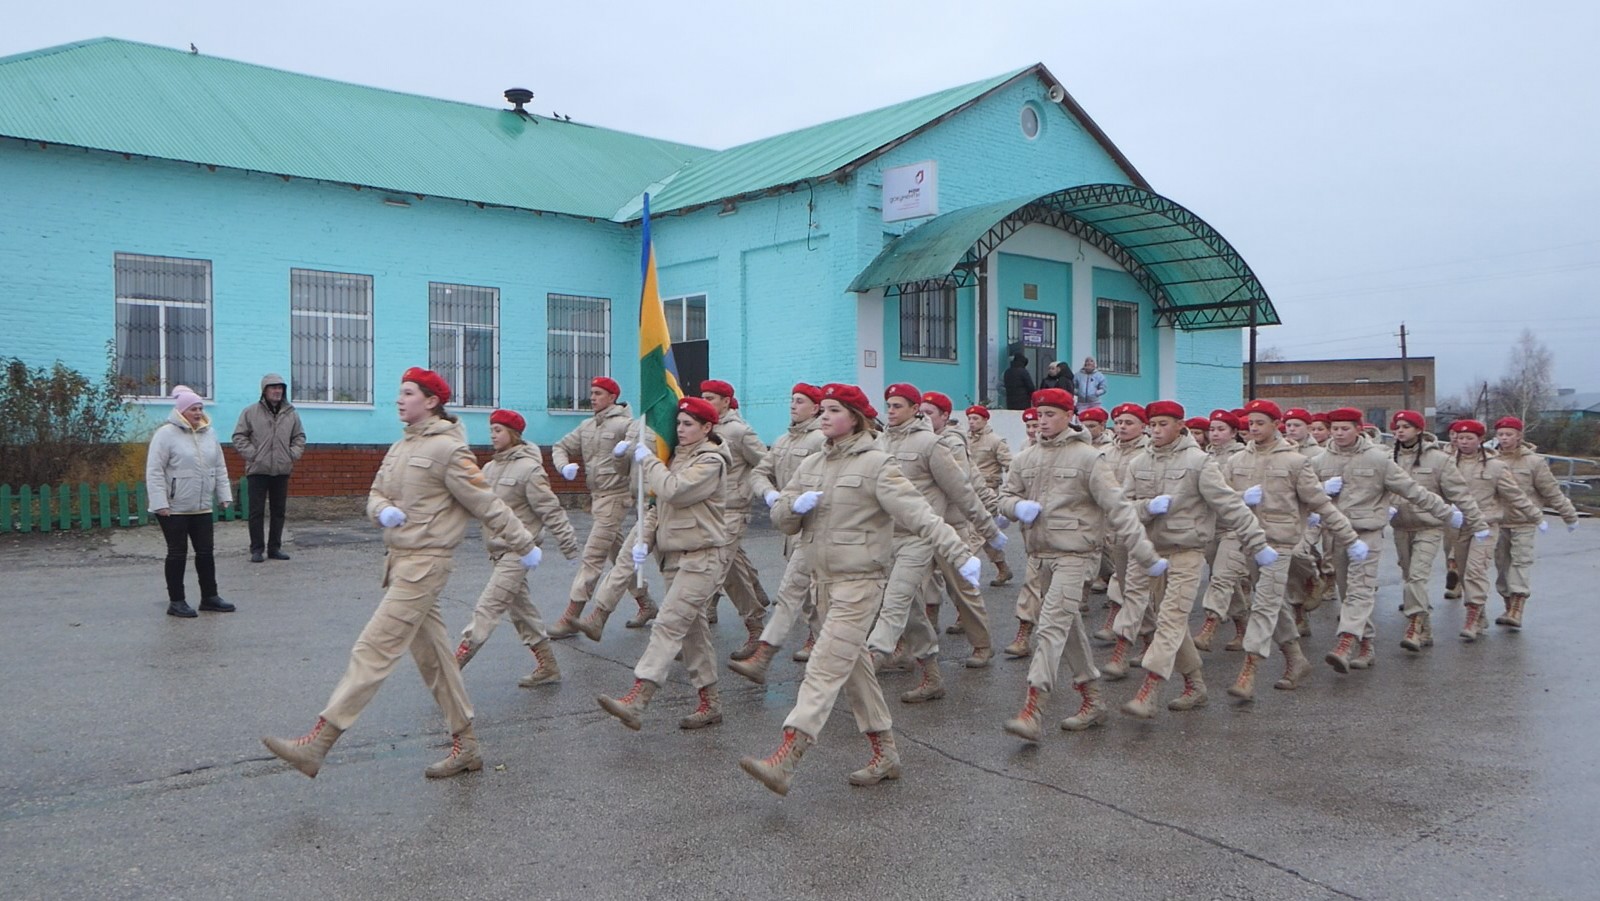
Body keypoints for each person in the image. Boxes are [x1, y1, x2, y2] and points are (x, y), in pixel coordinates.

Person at [262, 368, 540, 780]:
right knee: (436, 660)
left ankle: (320, 741)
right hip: (399, 562)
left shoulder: (450, 450)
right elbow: (375, 493)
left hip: (426, 565)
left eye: (408, 393)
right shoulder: (399, 447)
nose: (399, 399)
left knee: (373, 649)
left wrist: (525, 545)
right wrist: (382, 511)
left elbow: (487, 503)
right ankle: (467, 746)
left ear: (431, 401)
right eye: (399, 392)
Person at [739, 384, 980, 796]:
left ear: (856, 417)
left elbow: (921, 516)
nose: (825, 417)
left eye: (834, 410)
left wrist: (961, 554)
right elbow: (781, 517)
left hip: (859, 585)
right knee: (855, 674)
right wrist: (791, 509)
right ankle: (885, 753)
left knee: (822, 667)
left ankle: (788, 756)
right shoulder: (813, 462)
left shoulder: (876, 465)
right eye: (824, 410)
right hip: (823, 585)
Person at [998, 388, 1164, 743]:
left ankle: (1033, 709)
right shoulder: (1025, 457)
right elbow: (1005, 496)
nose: (1042, 421)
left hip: (1076, 555)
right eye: (1038, 414)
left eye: (1050, 414)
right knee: (1066, 626)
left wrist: (1145, 553)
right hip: (1040, 555)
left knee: (1051, 628)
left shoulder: (1089, 458)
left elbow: (1118, 508)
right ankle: (1093, 700)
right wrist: (1016, 508)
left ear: (1068, 415)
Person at [1113, 400, 1271, 717]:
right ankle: (1195, 685)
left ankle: (1150, 688)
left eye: (1163, 424)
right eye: (1152, 424)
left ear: (1180, 425)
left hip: (1187, 552)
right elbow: (1121, 507)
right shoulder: (1138, 463)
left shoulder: (1199, 462)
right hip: (1153, 553)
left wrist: (1256, 541)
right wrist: (1146, 508)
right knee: (1170, 624)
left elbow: (1229, 505)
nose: (1156, 430)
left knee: (1171, 619)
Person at [596, 397, 732, 732]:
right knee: (693, 634)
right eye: (678, 423)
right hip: (674, 559)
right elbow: (659, 509)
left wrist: (651, 463)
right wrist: (643, 543)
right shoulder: (676, 457)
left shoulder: (711, 461)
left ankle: (638, 698)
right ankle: (710, 702)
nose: (680, 430)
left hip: (702, 558)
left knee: (668, 625)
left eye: (688, 424)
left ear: (707, 428)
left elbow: (675, 491)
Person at [865, 383, 1001, 706]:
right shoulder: (881, 442)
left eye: (899, 406)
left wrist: (989, 528)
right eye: (889, 406)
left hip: (936, 531)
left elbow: (963, 489)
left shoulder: (934, 444)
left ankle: (981, 644)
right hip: (893, 535)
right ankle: (926, 669)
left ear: (917, 410)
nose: (891, 411)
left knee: (961, 589)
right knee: (909, 600)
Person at [1219, 399, 1361, 701]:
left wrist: (1350, 539)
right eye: (1250, 423)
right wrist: (1242, 496)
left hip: (1281, 544)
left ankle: (1249, 669)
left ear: (1275, 424)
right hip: (1249, 542)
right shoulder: (1237, 461)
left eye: (1260, 423)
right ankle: (1296, 659)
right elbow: (1222, 498)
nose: (1253, 428)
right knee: (1272, 601)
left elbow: (1320, 504)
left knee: (1264, 605)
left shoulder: (1295, 462)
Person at [1311, 407, 1457, 672]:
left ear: (1359, 428)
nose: (1339, 434)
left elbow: (1413, 491)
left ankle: (1345, 641)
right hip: (1336, 534)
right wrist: (1319, 493)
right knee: (1347, 593)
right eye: (1335, 429)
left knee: (1361, 589)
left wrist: (1447, 513)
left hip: (1367, 534)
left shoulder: (1378, 460)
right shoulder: (1320, 461)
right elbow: (1303, 494)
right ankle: (1366, 645)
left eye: (1345, 428)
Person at [453, 408, 580, 687]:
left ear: (513, 434)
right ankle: (548, 666)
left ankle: (451, 670)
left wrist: (569, 546)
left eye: (498, 430)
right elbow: (478, 505)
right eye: (491, 430)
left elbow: (551, 510)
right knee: (521, 611)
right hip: (497, 552)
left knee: (487, 609)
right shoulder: (490, 468)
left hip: (520, 552)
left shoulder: (530, 470)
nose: (492, 435)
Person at [732, 383, 829, 684]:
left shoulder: (821, 439)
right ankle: (772, 654)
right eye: (792, 400)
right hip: (792, 523)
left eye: (800, 401)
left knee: (813, 593)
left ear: (816, 407)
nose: (792, 405)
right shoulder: (785, 440)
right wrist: (772, 495)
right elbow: (759, 471)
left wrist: (811, 498)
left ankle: (829, 643)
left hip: (821, 525)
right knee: (794, 593)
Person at [548, 376, 649, 636]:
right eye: (591, 393)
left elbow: (639, 447)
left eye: (598, 393)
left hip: (616, 497)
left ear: (612, 397)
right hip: (597, 498)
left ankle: (572, 615)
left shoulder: (627, 424)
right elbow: (560, 446)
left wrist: (627, 448)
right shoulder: (586, 425)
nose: (592, 397)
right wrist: (563, 466)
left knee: (592, 557)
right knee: (620, 556)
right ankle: (646, 603)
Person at [1387, 410, 1487, 653]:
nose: (1400, 430)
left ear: (1419, 430)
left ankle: (1414, 625)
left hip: (1429, 526)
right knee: (1409, 577)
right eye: (1397, 426)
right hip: (1400, 526)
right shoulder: (1387, 457)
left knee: (1417, 577)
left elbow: (1460, 494)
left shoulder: (1439, 460)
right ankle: (1425, 629)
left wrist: (1478, 523)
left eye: (1406, 426)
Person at [1445, 420, 1539, 640]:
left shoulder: (1495, 466)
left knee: (1475, 570)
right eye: (1460, 438)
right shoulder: (1447, 463)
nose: (1464, 442)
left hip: (1486, 526)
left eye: (1470, 438)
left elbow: (1514, 494)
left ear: (1480, 440)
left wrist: (1536, 516)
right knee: (1463, 571)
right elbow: (1434, 491)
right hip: (1459, 525)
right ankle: (1480, 616)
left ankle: (1472, 616)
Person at [697, 380, 771, 658]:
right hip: (708, 509)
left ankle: (688, 634)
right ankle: (756, 618)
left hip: (733, 510)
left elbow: (764, 464)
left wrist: (751, 489)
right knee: (730, 570)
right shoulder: (704, 429)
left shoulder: (739, 432)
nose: (705, 401)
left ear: (726, 401)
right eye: (702, 397)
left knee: (711, 569)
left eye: (711, 397)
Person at [146, 386, 235, 618]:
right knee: (177, 554)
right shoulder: (165, 434)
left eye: (200, 408)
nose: (198, 412)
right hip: (173, 508)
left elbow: (219, 466)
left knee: (206, 553)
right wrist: (160, 503)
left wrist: (224, 495)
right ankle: (176, 601)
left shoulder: (210, 434)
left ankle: (210, 597)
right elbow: (154, 470)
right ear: (182, 411)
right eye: (193, 409)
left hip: (202, 506)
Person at [1489, 416, 1580, 628]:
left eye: (1509, 434)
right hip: (1498, 521)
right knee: (1502, 565)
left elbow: (1551, 491)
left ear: (1519, 435)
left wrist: (1569, 515)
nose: (1504, 438)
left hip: (1525, 521)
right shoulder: (1490, 460)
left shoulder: (1534, 462)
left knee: (1520, 562)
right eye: (1501, 434)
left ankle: (1517, 608)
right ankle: (1507, 603)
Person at [231, 373, 305, 562]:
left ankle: (274, 548)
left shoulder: (291, 414)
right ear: (264, 391)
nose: (277, 391)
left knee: (278, 511)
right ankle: (256, 549)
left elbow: (299, 437)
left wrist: (292, 454)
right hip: (258, 470)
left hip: (281, 470)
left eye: (280, 388)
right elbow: (239, 436)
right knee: (256, 512)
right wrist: (253, 455)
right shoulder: (250, 412)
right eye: (273, 387)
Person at [965, 404, 1016, 587]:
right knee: (987, 534)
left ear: (985, 420)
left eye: (976, 419)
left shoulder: (995, 441)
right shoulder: (965, 440)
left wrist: (1011, 489)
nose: (971, 422)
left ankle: (962, 569)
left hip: (988, 492)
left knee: (975, 533)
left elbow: (1010, 465)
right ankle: (1003, 568)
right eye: (970, 419)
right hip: (967, 491)